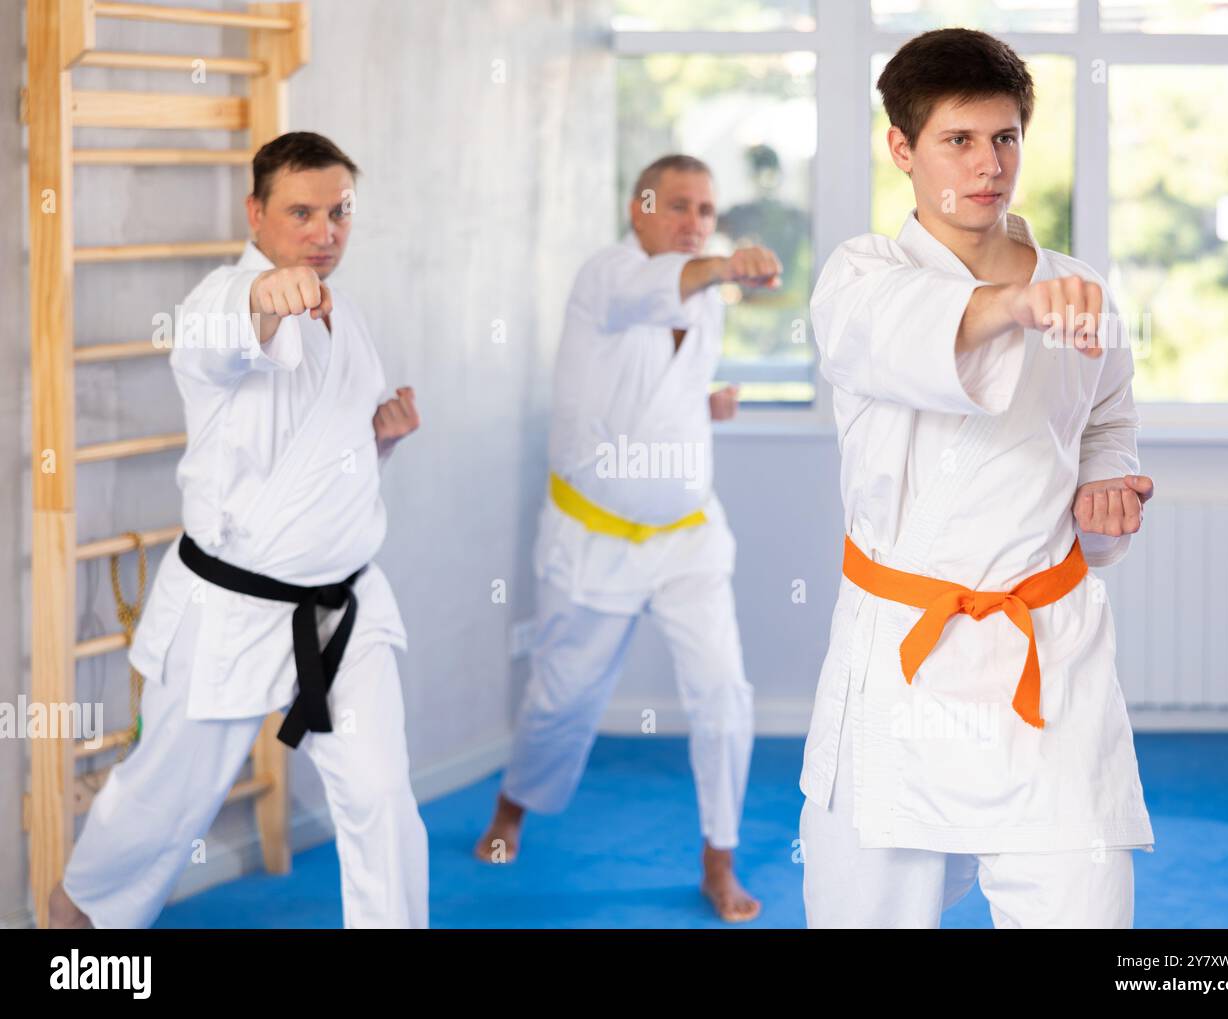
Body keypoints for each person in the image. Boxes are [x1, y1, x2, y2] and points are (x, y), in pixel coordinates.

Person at [799, 29, 1156, 929]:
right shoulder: (859, 277)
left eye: (1005, 138)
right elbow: (900, 333)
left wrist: (1107, 483)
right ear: (903, 150)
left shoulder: (1081, 290)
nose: (988, 163)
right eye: (959, 139)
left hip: (1050, 653)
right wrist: (1014, 306)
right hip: (900, 661)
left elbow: (1107, 420)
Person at [50, 131, 428, 929]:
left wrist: (379, 440)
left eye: (340, 213)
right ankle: (75, 918)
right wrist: (261, 299)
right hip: (233, 609)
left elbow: (318, 465)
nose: (325, 231)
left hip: (343, 608)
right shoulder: (222, 303)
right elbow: (218, 339)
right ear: (255, 213)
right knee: (163, 800)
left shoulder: (346, 313)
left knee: (382, 794)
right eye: (302, 212)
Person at [475, 155, 781, 922]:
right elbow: (653, 298)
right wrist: (722, 264)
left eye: (707, 210)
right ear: (637, 208)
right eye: (677, 205)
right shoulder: (609, 276)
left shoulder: (705, 295)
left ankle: (720, 858)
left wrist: (703, 401)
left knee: (723, 692)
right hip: (594, 540)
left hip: (688, 539)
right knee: (561, 698)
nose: (694, 222)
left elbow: (646, 387)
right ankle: (512, 807)